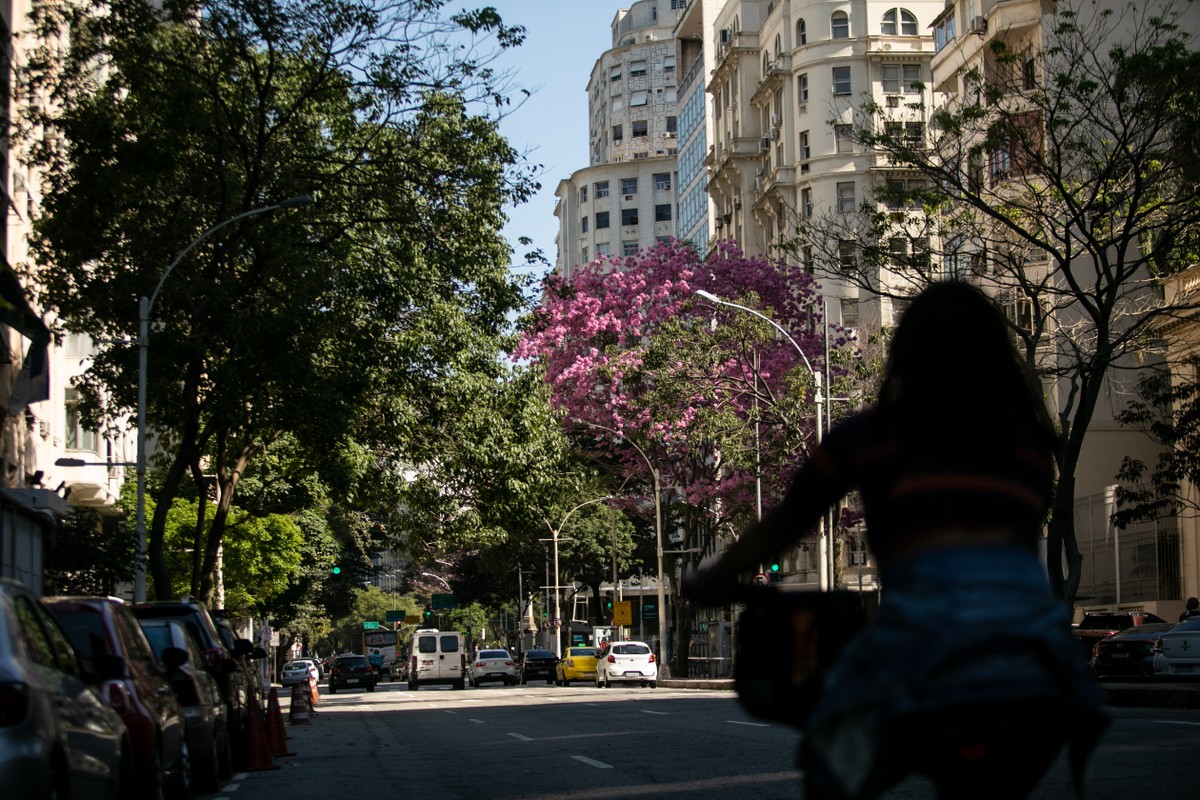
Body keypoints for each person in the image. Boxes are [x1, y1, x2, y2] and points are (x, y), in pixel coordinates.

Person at [684, 281, 1106, 800]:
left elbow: (780, 527)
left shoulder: (873, 438)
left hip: (919, 652)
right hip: (1039, 669)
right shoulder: (1029, 448)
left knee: (830, 767)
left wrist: (711, 579)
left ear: (906, 352)